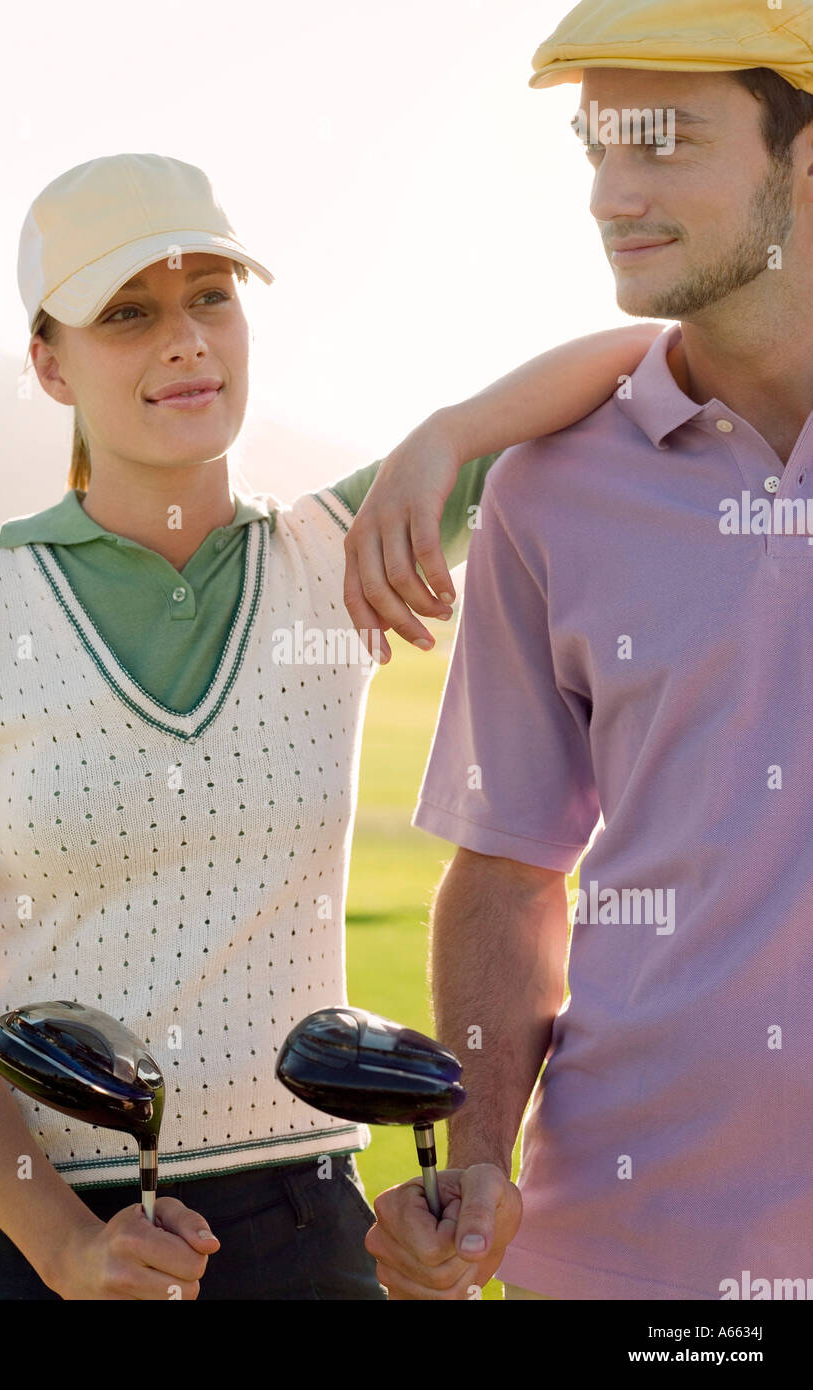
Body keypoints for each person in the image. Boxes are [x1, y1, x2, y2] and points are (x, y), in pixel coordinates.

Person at [0, 151, 660, 1301]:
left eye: (212, 298)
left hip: (302, 1232)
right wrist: (65, 1245)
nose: (186, 340)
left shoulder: (345, 549)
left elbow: (643, 357)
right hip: (22, 1238)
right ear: (48, 362)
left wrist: (444, 434)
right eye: (128, 313)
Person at [356, 0, 813, 1301]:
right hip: (618, 1249)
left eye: (661, 144)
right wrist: (480, 1151)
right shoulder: (545, 488)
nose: (613, 191)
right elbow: (504, 872)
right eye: (595, 148)